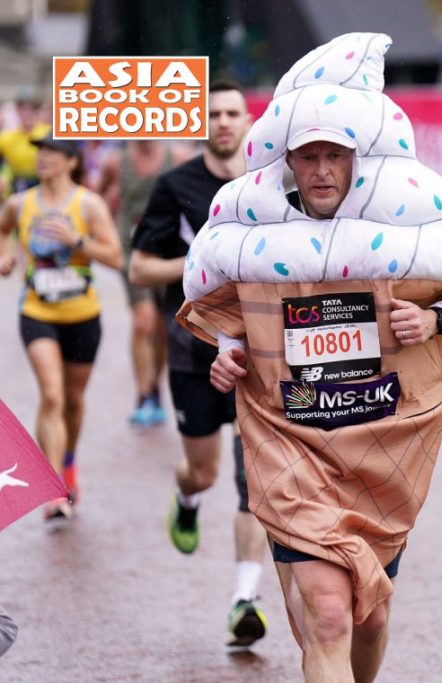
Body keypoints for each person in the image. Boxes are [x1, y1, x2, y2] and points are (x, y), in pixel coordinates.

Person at [178, 32, 442, 681]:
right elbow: (226, 308)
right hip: (291, 445)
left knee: (370, 617)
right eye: (308, 157)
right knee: (328, 613)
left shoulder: (401, 234)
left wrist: (433, 316)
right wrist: (227, 352)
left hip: (379, 454)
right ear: (290, 164)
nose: (322, 171)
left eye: (335, 156)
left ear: (357, 161)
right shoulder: (260, 237)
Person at [128, 80, 270, 647]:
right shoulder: (175, 185)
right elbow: (139, 270)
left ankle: (244, 599)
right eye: (212, 113)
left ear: (249, 120)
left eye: (233, 112)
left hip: (261, 353)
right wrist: (205, 262)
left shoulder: (270, 186)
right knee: (207, 472)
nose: (223, 122)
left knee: (253, 480)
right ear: (200, 122)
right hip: (193, 351)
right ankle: (186, 497)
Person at [0, 134, 122, 522]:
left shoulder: (88, 203)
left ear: (72, 161)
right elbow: (2, 230)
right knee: (51, 395)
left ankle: (68, 463)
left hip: (82, 315)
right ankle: (52, 488)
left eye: (53, 152)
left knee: (72, 400)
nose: (44, 158)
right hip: (38, 312)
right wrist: (4, 256)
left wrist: (77, 240)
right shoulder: (21, 202)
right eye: (40, 152)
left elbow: (116, 257)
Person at [98, 140, 191, 426]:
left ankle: (154, 388)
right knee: (143, 321)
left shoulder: (177, 157)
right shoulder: (115, 161)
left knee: (164, 329)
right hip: (131, 251)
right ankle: (143, 395)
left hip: (166, 250)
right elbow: (97, 197)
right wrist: (107, 231)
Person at [0, 88, 51, 195]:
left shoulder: (48, 133)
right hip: (18, 184)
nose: (28, 113)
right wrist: (4, 175)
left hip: (45, 181)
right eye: (23, 109)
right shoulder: (6, 137)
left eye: (32, 109)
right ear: (17, 111)